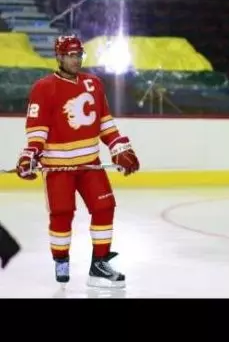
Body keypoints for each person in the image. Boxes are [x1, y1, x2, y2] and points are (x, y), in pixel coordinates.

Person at [15, 35, 140, 288]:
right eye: (70, 55)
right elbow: (37, 128)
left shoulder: (93, 83)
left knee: (105, 207)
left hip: (89, 164)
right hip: (59, 167)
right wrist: (31, 153)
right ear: (59, 57)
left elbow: (104, 122)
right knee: (62, 214)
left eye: (78, 54)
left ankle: (99, 264)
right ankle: (61, 258)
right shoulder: (44, 87)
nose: (75, 59)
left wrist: (118, 147)